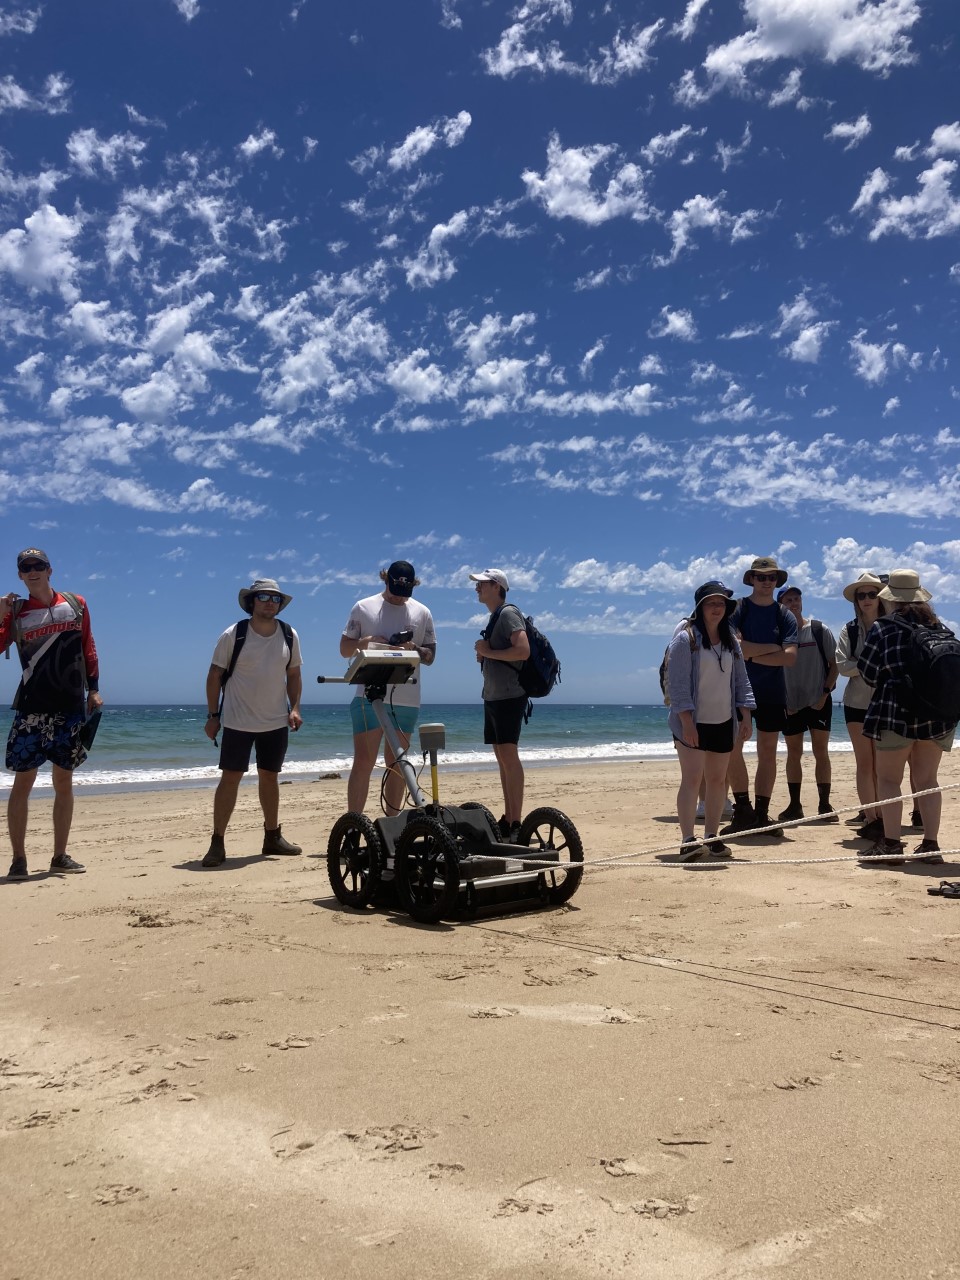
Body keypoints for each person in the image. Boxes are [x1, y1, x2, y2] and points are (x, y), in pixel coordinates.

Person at [1, 548, 103, 878]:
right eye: (25, 567)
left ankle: (60, 856)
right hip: (32, 707)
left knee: (63, 781)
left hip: (70, 706)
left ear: (49, 569)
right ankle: (19, 860)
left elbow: (88, 645)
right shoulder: (16, 612)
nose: (32, 571)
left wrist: (95, 688)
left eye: (38, 565)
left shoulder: (75, 604)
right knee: (23, 782)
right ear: (19, 574)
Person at [856, 569, 955, 866]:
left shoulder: (883, 628)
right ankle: (930, 844)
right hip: (937, 716)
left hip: (895, 712)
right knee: (927, 780)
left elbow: (868, 673)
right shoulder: (940, 627)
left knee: (888, 779)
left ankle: (891, 844)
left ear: (890, 599)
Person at [202, 578, 303, 868]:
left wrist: (294, 707)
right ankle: (217, 842)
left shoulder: (289, 634)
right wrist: (212, 717)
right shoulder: (234, 634)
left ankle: (272, 836)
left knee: (269, 777)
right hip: (237, 720)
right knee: (230, 778)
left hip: (275, 722)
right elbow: (214, 676)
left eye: (275, 598)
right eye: (264, 597)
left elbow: (293, 675)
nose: (270, 602)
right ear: (252, 601)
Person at [667, 582, 755, 859]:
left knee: (717, 781)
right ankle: (687, 839)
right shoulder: (685, 639)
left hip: (723, 721)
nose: (716, 608)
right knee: (692, 780)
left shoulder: (730, 639)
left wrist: (746, 714)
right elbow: (678, 685)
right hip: (692, 722)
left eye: (721, 604)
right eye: (710, 603)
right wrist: (687, 722)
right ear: (699, 607)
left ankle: (712, 837)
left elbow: (741, 680)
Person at [340, 561, 436, 816]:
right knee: (364, 761)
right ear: (385, 580)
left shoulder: (423, 612)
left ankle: (392, 825)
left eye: (405, 592)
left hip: (406, 697)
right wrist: (369, 641)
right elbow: (344, 649)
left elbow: (431, 656)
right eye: (395, 589)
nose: (399, 596)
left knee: (398, 762)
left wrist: (412, 648)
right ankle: (354, 824)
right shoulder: (364, 607)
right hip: (367, 695)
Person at [723, 556, 798, 836]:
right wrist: (772, 648)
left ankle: (762, 815)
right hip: (738, 690)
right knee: (733, 748)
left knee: (767, 752)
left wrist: (752, 653)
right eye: (760, 576)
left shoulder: (784, 614)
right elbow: (735, 648)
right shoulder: (738, 609)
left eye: (771, 578)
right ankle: (743, 810)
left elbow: (790, 659)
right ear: (751, 579)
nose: (766, 582)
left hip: (772, 692)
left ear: (776, 581)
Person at [471, 568, 531, 840]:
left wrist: (488, 652)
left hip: (509, 695)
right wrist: (487, 656)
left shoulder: (508, 614)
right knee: (502, 758)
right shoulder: (496, 617)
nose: (477, 588)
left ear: (497, 586)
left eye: (481, 584)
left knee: (508, 756)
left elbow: (523, 650)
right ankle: (508, 818)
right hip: (494, 695)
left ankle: (516, 823)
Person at [777, 586, 839, 823]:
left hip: (819, 701)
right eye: (788, 600)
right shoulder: (778, 636)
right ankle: (795, 806)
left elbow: (835, 666)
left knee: (821, 752)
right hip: (791, 704)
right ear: (780, 605)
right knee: (793, 753)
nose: (793, 603)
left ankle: (825, 805)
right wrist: (783, 701)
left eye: (796, 598)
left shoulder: (818, 629)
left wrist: (824, 694)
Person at [836, 572, 885, 840]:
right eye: (861, 594)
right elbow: (842, 666)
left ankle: (883, 815)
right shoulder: (849, 629)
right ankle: (871, 817)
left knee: (884, 767)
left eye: (871, 593)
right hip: (856, 704)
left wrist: (860, 664)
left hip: (886, 704)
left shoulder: (892, 626)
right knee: (865, 764)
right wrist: (873, 667)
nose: (866, 599)